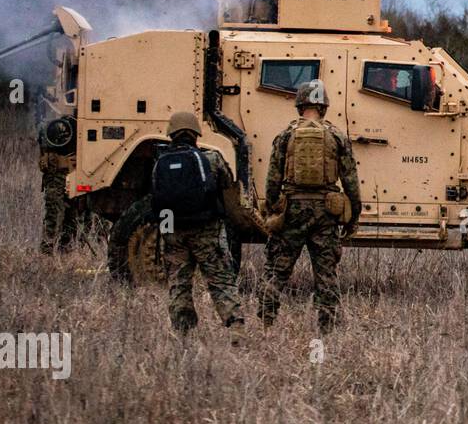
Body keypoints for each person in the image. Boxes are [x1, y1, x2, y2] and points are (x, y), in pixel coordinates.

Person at [260, 79, 361, 334]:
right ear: (324, 106)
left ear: (299, 105)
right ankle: (327, 329)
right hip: (326, 213)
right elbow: (350, 181)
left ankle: (265, 324)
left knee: (277, 271)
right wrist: (353, 216)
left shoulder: (285, 136)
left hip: (292, 210)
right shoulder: (337, 136)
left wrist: (273, 207)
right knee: (326, 274)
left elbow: (272, 179)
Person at [153, 111, 245, 343]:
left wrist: (166, 231)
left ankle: (183, 331)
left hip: (173, 230)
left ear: (171, 134)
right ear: (195, 133)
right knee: (220, 279)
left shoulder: (159, 163)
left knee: (178, 282)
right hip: (207, 229)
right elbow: (226, 181)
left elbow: (157, 198)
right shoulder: (211, 158)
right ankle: (235, 327)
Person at [37, 125, 77, 255]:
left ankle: (65, 251)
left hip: (73, 174)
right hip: (55, 176)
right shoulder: (51, 127)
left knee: (71, 216)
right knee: (54, 215)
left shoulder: (73, 125)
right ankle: (47, 252)